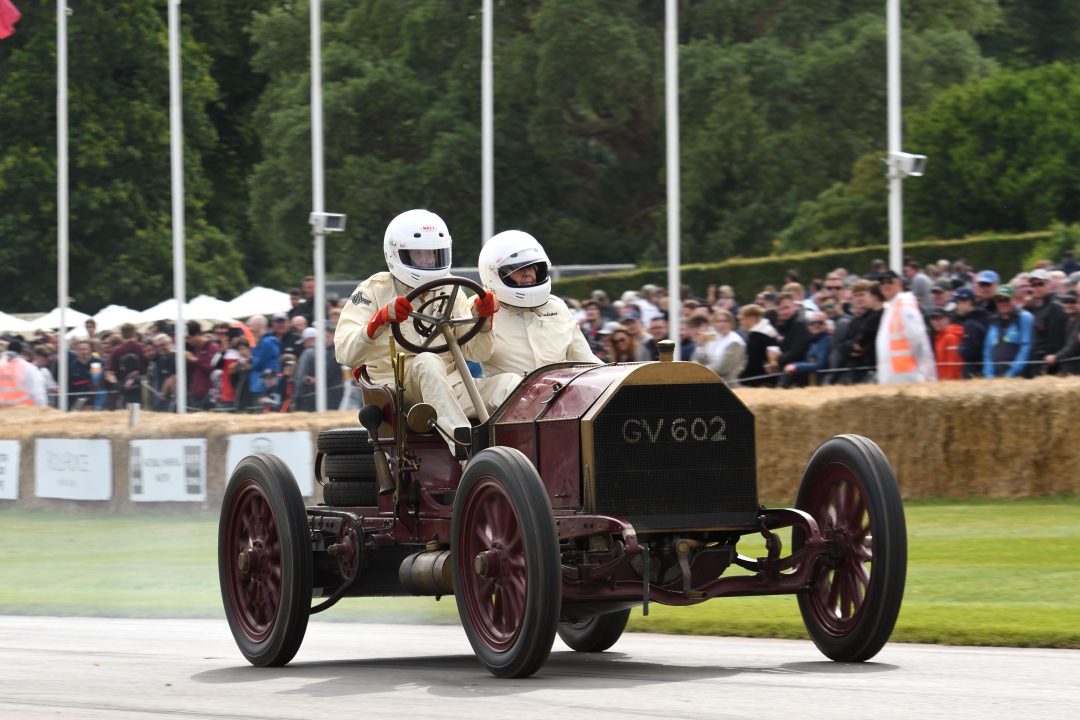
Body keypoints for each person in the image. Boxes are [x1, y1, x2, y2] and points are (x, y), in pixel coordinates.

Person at [335, 209, 520, 445]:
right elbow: (344, 353)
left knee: (512, 384)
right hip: (398, 393)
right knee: (427, 361)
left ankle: (524, 455)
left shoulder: (451, 289)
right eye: (420, 255)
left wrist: (483, 320)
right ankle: (464, 447)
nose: (429, 262)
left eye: (434, 255)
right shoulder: (374, 289)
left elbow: (478, 353)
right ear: (397, 254)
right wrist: (379, 321)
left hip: (450, 386)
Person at [473, 230, 601, 378]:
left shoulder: (557, 306)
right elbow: (469, 356)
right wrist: (483, 322)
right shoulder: (478, 307)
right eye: (518, 268)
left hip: (558, 394)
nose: (529, 274)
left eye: (533, 267)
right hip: (506, 398)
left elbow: (586, 361)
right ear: (493, 274)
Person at [876, 270, 936, 384]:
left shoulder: (904, 303)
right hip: (894, 376)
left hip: (907, 375)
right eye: (882, 282)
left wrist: (919, 368)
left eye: (889, 281)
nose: (885, 285)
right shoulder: (890, 307)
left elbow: (917, 338)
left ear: (898, 284)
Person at [984, 285, 1034, 379]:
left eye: (1006, 299)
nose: (1003, 303)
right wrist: (988, 376)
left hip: (1018, 377)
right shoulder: (993, 321)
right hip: (995, 378)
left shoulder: (1024, 317)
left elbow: (1026, 347)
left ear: (1013, 300)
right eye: (999, 300)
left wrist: (1011, 373)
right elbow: (987, 351)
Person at [1028, 268, 1067, 376]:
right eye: (1033, 285)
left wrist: (1049, 365)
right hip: (1039, 362)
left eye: (1040, 284)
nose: (1036, 287)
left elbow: (1056, 340)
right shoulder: (1038, 306)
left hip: (1050, 365)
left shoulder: (1055, 306)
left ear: (1049, 285)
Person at [690, 310, 745, 384]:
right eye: (718, 321)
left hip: (727, 384)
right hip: (707, 381)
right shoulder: (712, 337)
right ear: (713, 323)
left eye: (726, 321)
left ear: (731, 323)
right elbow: (698, 360)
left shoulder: (735, 341)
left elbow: (722, 368)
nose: (722, 324)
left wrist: (698, 372)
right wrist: (701, 345)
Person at [781, 311, 831, 387]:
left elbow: (819, 364)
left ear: (826, 325)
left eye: (820, 322)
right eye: (812, 323)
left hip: (819, 382)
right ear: (808, 326)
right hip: (810, 379)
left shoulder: (825, 340)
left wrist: (796, 366)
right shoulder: (814, 340)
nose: (816, 325)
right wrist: (794, 365)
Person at [737, 304, 779, 387]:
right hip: (769, 378)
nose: (741, 323)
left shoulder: (756, 336)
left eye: (743, 319)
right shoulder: (767, 331)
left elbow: (754, 362)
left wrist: (741, 378)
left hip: (760, 381)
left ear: (752, 318)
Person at [953, 287, 991, 378]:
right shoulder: (985, 317)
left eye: (958, 303)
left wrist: (958, 348)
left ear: (968, 302)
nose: (956, 307)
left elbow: (967, 352)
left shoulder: (971, 324)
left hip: (974, 372)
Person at [0, 339, 47, 407]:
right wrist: (42, 408)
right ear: (22, 352)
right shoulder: (29, 368)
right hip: (24, 411)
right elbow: (37, 394)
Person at [1045, 291, 1080, 375]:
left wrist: (1056, 357)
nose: (1069, 305)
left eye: (1072, 302)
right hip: (1069, 369)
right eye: (1065, 302)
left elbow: (1073, 345)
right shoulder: (1067, 321)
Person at [929, 307, 964, 381]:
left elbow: (953, 364)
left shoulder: (951, 337)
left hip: (949, 382)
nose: (936, 322)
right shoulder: (939, 336)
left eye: (939, 318)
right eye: (934, 319)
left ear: (948, 319)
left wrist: (948, 382)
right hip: (943, 380)